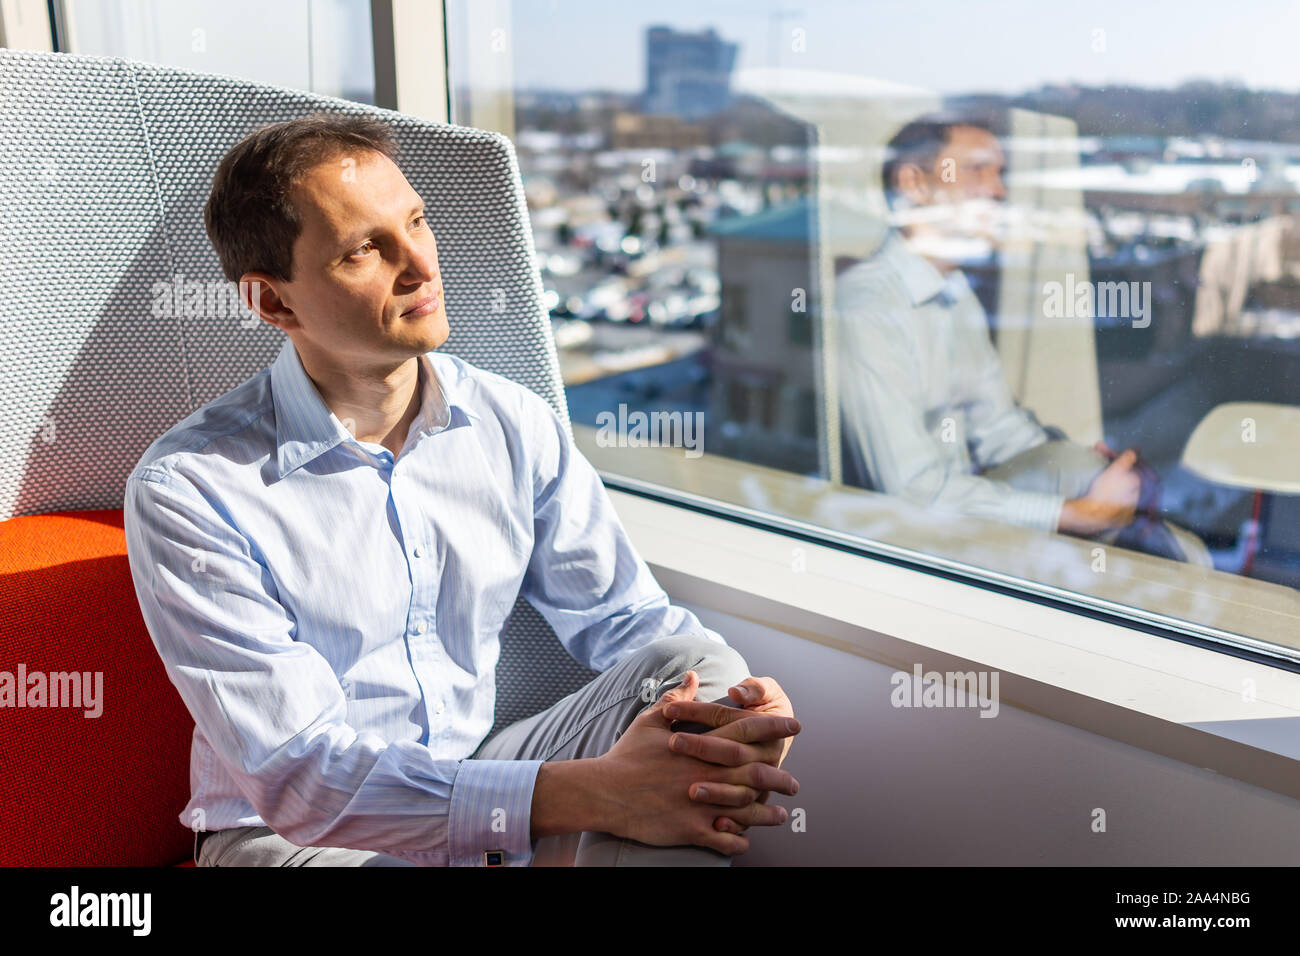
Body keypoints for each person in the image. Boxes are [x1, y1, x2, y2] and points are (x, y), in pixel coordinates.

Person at [123, 113, 800, 867]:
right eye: (363, 251)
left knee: (697, 674)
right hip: (288, 841)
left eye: (415, 221)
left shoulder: (511, 422)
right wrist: (598, 792)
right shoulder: (191, 487)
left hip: (479, 768)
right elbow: (301, 776)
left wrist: (736, 710)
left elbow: (629, 621)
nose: (418, 264)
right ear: (275, 304)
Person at [835, 112, 1210, 565]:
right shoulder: (870, 304)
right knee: (1179, 563)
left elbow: (998, 429)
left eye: (1000, 173)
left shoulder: (955, 296)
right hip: (915, 550)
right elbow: (910, 490)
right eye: (977, 170)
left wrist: (1077, 467)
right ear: (915, 185)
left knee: (1113, 496)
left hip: (965, 523)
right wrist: (1070, 512)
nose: (998, 190)